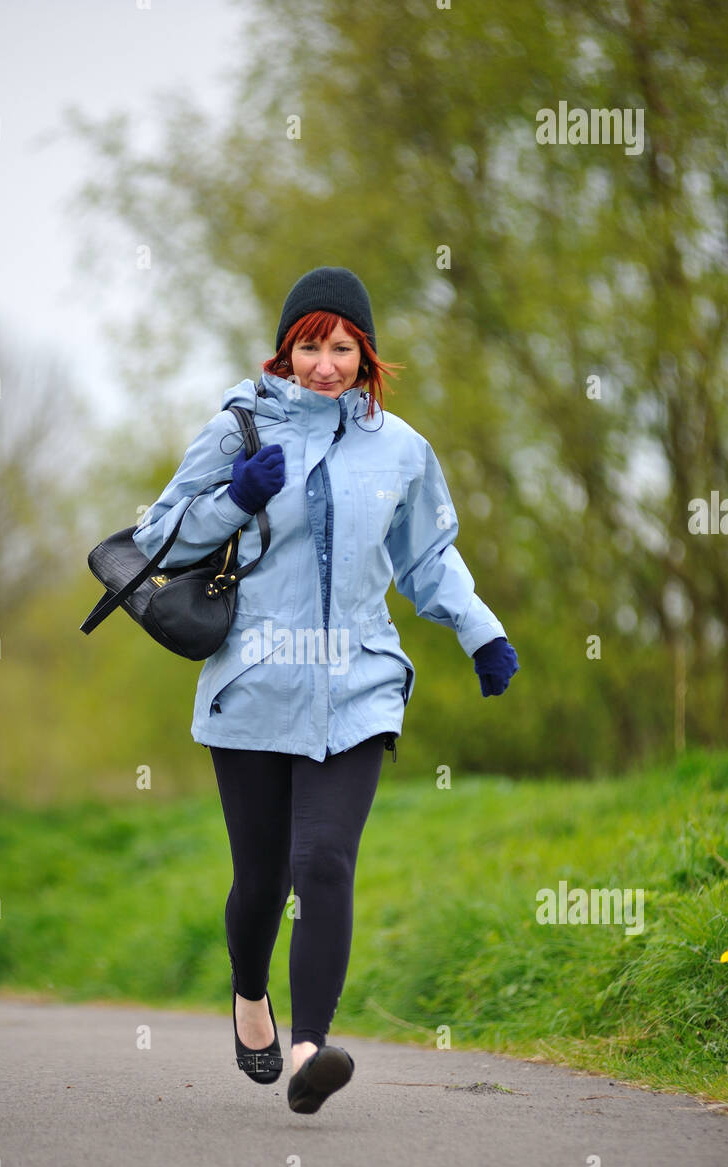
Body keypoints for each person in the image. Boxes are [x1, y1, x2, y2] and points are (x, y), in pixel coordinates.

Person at [133, 266, 519, 1114]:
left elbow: (427, 557)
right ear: (285, 351)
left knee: (325, 861)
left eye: (341, 346)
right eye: (309, 346)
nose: (324, 364)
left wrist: (479, 629)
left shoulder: (401, 449)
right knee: (263, 878)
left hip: (359, 682)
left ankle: (309, 1048)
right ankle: (248, 997)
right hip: (254, 685)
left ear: (365, 353)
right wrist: (234, 499)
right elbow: (158, 537)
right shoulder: (238, 428)